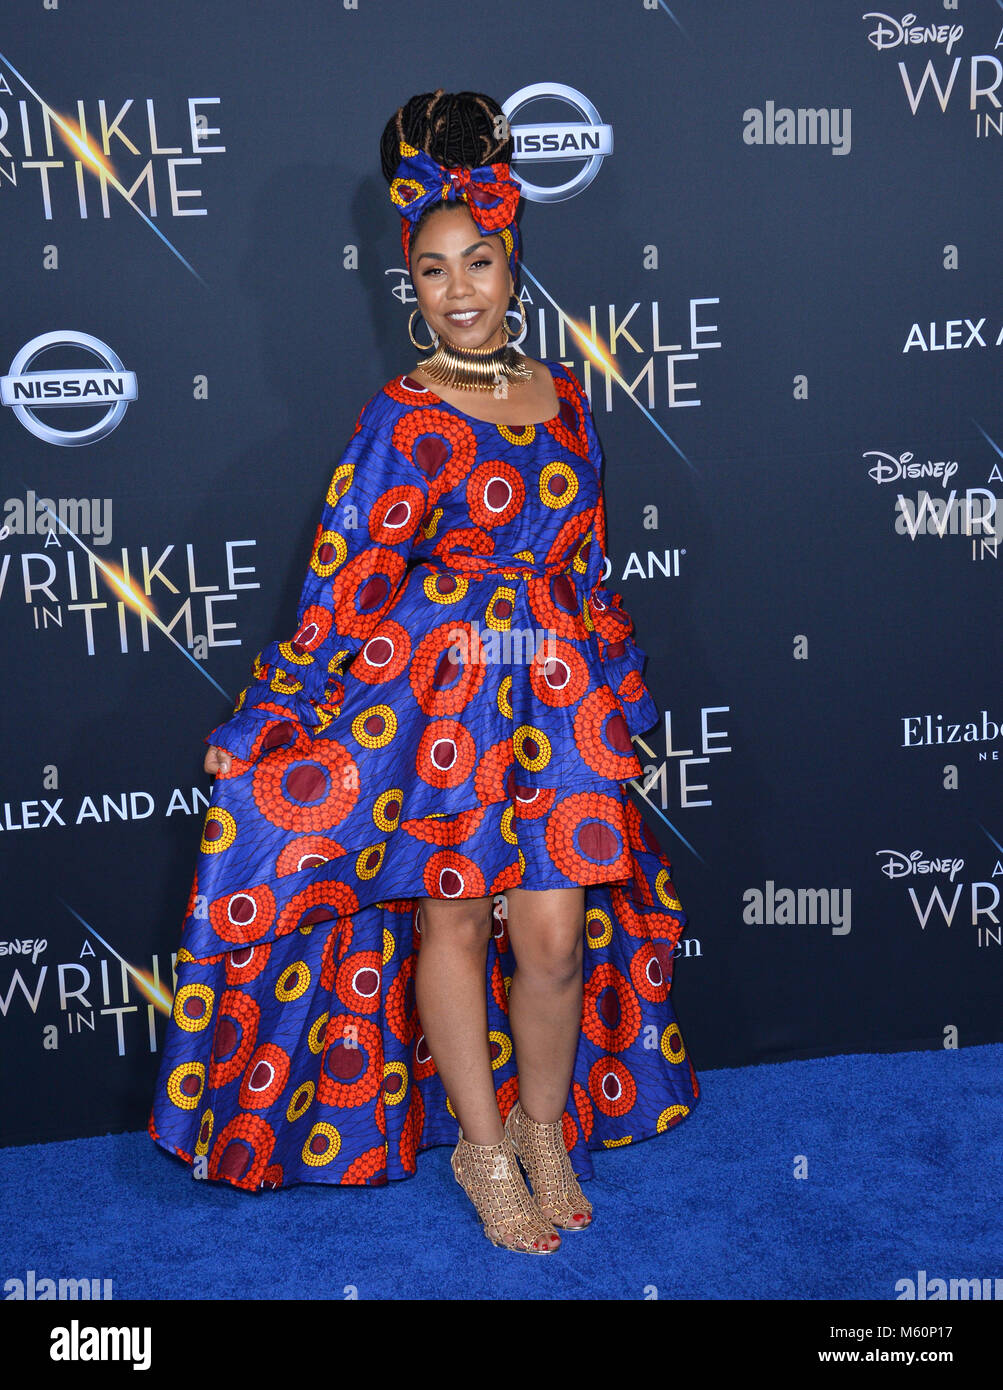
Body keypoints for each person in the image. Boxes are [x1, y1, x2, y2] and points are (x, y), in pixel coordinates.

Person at [149, 88, 699, 1255]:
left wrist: (622, 692)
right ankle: (483, 1145)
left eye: (479, 262)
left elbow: (589, 568)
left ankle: (545, 1129)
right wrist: (270, 723)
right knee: (450, 927)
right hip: (437, 705)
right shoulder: (398, 417)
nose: (459, 291)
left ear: (512, 266)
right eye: (434, 270)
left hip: (558, 692)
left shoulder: (572, 402)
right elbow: (339, 582)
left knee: (552, 934)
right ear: (411, 285)